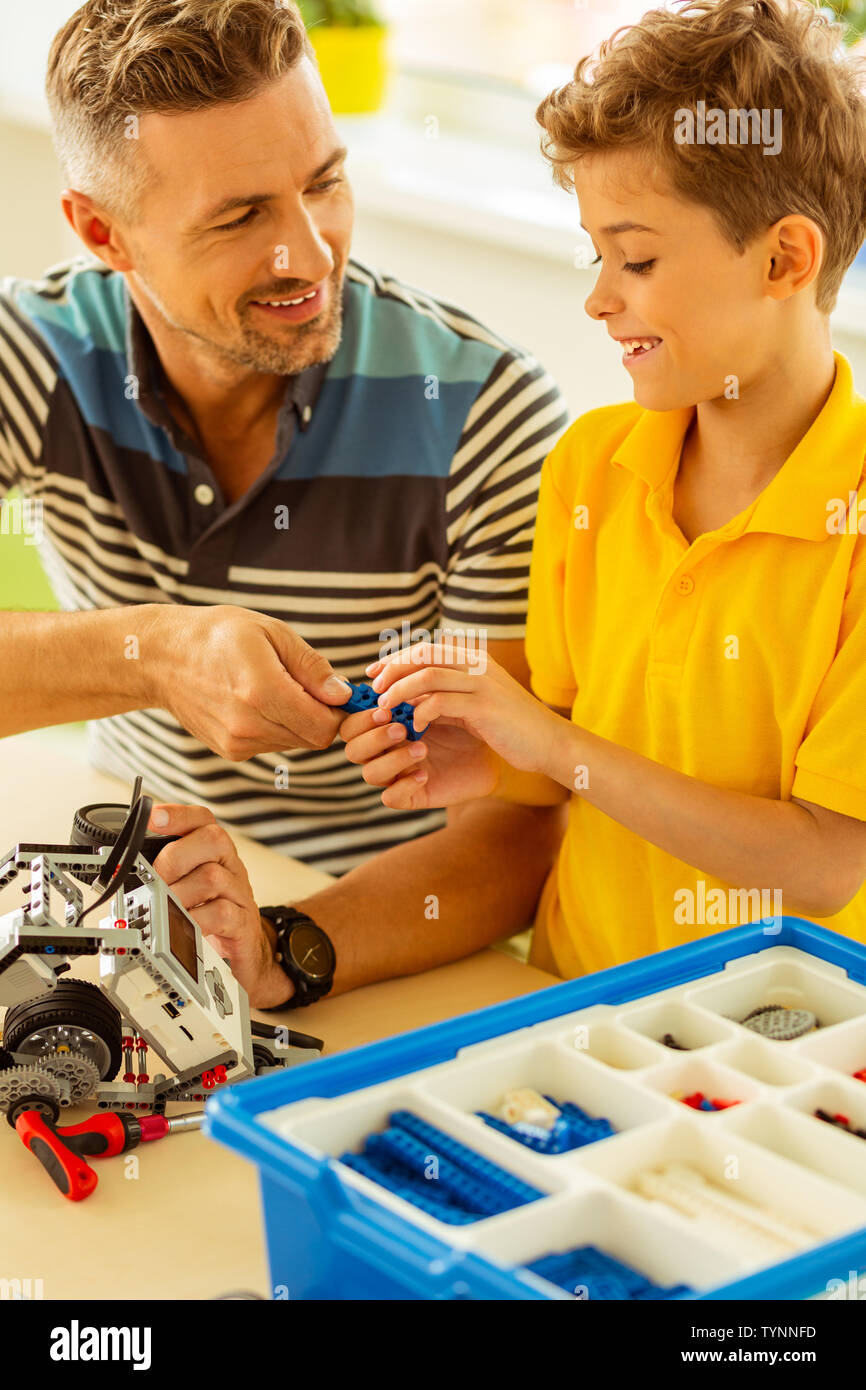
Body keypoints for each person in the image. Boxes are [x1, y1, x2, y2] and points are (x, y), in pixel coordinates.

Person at [0, 0, 567, 1007]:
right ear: (102, 231)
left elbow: (523, 824)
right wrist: (157, 654)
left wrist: (275, 948)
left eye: (324, 183)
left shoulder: (486, 412)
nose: (308, 255)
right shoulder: (33, 355)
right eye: (240, 216)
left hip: (369, 947)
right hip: (129, 894)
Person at [344, 0, 866, 978]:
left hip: (778, 1054)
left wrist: (545, 742)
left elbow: (821, 862)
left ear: (782, 258)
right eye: (596, 256)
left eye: (636, 258)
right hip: (567, 1006)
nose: (597, 297)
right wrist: (494, 759)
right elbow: (564, 753)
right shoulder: (591, 465)